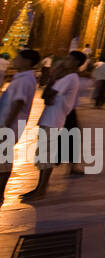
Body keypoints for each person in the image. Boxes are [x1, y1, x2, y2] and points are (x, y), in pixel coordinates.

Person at [21, 51, 87, 201]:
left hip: (54, 119)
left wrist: (54, 78)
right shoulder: (67, 77)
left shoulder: (70, 77)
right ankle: (39, 188)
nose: (65, 61)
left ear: (76, 63)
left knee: (46, 156)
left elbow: (49, 94)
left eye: (69, 59)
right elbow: (46, 96)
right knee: (43, 155)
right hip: (50, 118)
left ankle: (42, 189)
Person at [0, 49, 40, 205]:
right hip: (9, 123)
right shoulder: (24, 78)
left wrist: (6, 126)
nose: (15, 60)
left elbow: (18, 102)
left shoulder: (25, 80)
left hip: (10, 124)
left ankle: (1, 192)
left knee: (3, 160)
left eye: (18, 58)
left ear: (27, 62)